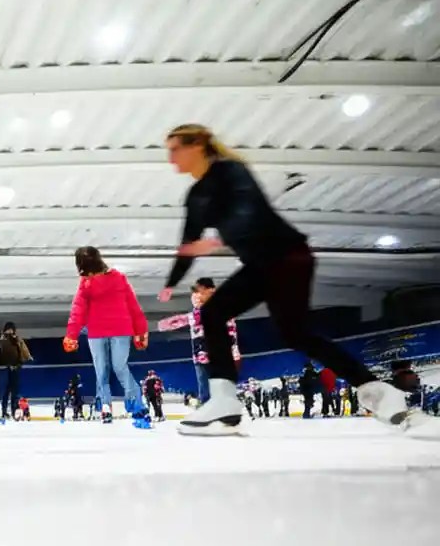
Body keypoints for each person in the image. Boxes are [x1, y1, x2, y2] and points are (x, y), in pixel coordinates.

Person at [159, 124, 432, 437]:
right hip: (261, 264)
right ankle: (223, 401)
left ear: (197, 146)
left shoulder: (230, 172)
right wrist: (172, 282)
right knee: (214, 313)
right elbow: (187, 243)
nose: (171, 158)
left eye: (175, 149)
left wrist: (217, 240)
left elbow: (247, 209)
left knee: (296, 335)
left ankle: (380, 393)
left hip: (288, 256)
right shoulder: (196, 195)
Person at [64, 246, 152, 428]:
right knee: (102, 370)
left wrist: (140, 330)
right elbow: (78, 309)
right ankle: (105, 406)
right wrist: (71, 334)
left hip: (119, 330)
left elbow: (132, 305)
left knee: (119, 367)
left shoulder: (117, 278)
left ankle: (136, 405)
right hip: (97, 332)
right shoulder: (85, 283)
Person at [156, 278, 241, 405]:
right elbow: (181, 320)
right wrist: (162, 325)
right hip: (200, 357)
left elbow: (231, 332)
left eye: (199, 295)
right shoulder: (195, 316)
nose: (196, 298)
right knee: (206, 391)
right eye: (194, 296)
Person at [0, 322, 31, 423]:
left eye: (12, 330)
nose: (10, 332)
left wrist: (27, 355)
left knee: (14, 391)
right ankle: (1, 411)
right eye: (8, 330)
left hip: (14, 368)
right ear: (5, 331)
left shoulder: (18, 340)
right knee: (3, 391)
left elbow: (24, 351)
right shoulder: (1, 341)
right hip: (3, 369)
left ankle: (14, 411)